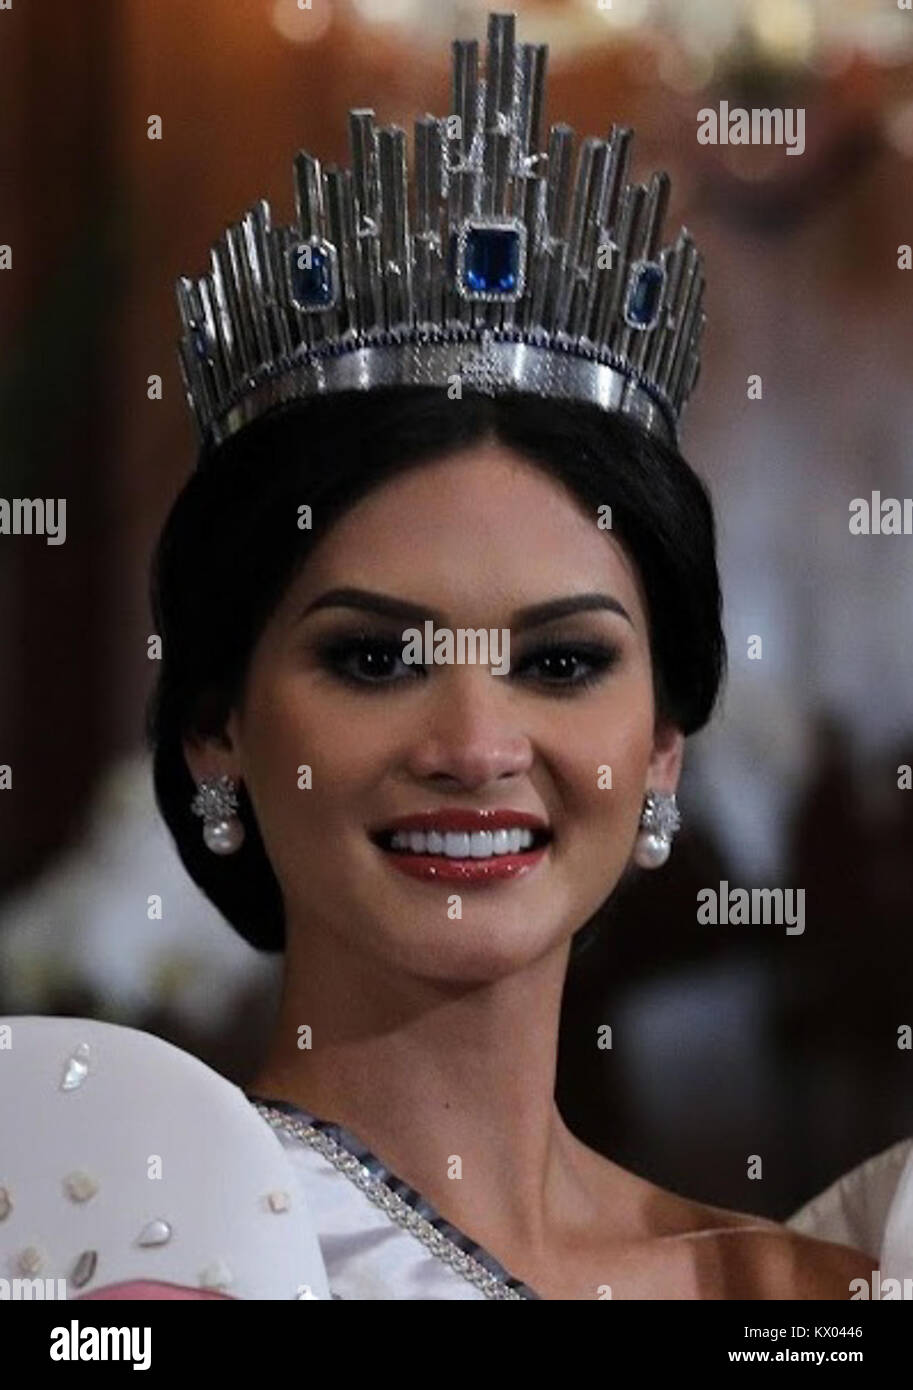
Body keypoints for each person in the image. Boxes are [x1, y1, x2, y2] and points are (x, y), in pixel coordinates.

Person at [2, 9, 909, 1300]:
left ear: (661, 747)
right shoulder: (112, 1264)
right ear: (218, 728)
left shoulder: (821, 1291)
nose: (476, 746)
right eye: (374, 658)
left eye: (559, 664)